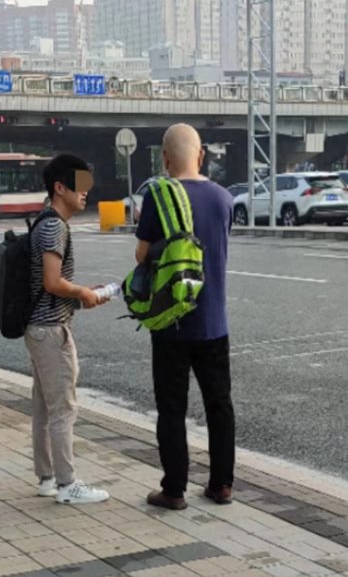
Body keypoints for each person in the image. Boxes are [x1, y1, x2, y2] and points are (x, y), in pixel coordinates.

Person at [135, 124, 235, 510]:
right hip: (214, 321)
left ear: (164, 158)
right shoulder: (224, 198)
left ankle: (174, 489)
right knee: (219, 405)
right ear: (202, 154)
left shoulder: (158, 196)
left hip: (171, 321)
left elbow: (141, 256)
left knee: (172, 407)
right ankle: (221, 485)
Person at [25, 154, 110, 505]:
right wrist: (82, 293)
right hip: (50, 330)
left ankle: (47, 478)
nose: (86, 194)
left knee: (45, 408)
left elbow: (52, 282)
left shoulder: (45, 221)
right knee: (63, 408)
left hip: (39, 327)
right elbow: (51, 281)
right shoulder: (54, 226)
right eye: (81, 186)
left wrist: (84, 294)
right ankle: (68, 485)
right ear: (60, 187)